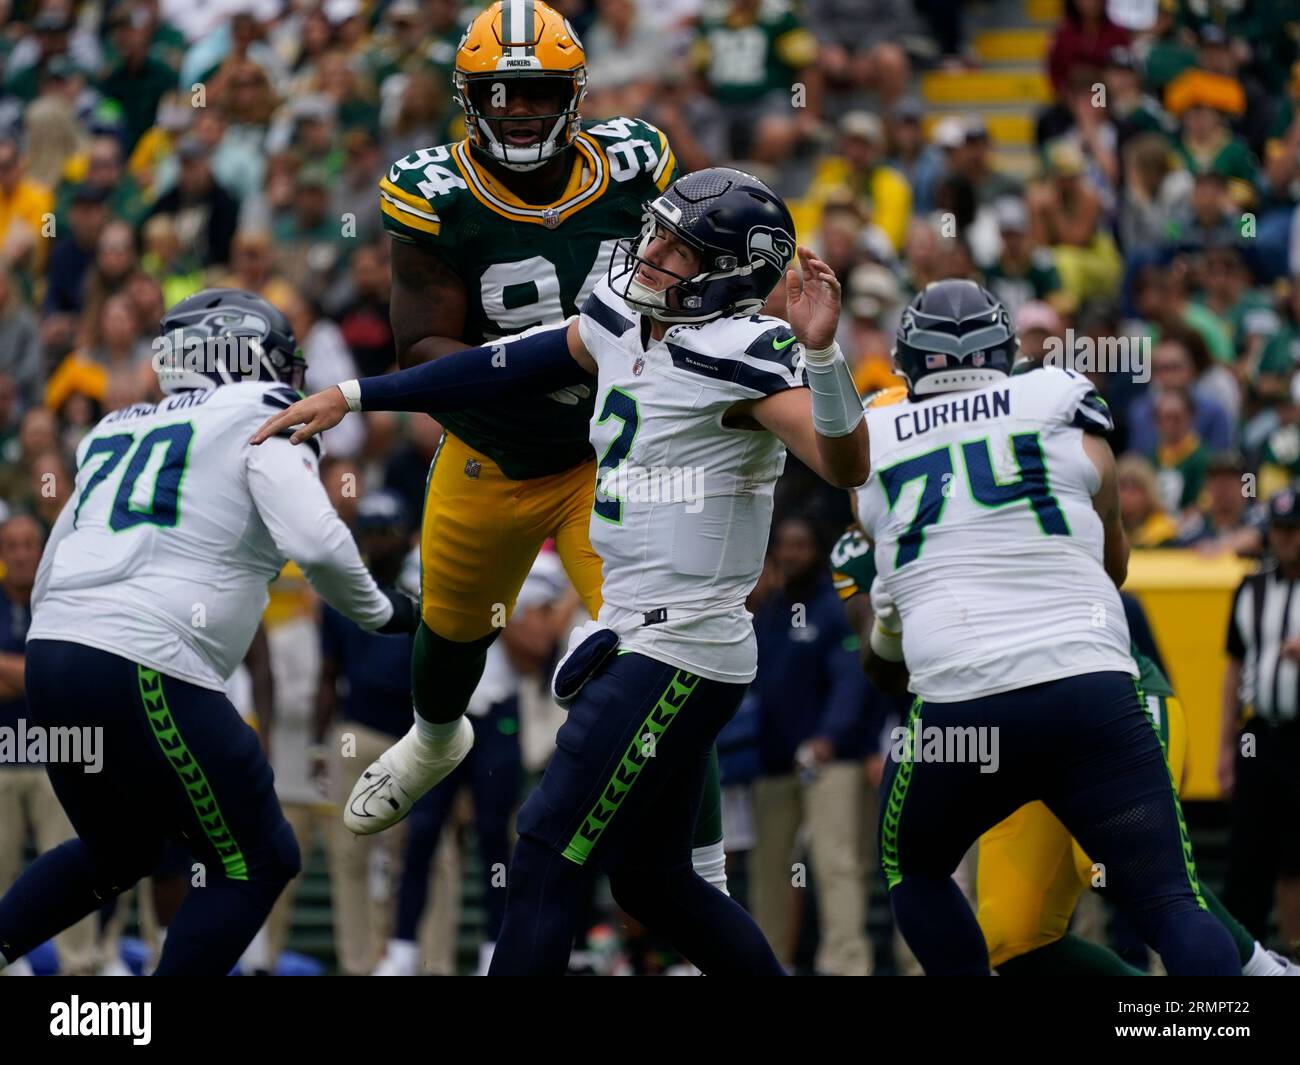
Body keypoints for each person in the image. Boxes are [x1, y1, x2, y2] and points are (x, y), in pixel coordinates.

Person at [252, 167, 870, 974]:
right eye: (658, 233)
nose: (651, 255)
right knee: (652, 879)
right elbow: (504, 366)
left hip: (682, 645)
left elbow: (843, 463)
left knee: (544, 841)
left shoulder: (746, 350)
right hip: (637, 634)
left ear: (730, 272)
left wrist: (823, 357)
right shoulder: (620, 317)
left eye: (680, 250)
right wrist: (357, 395)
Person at [0, 289, 418, 976]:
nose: (290, 379)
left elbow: (50, 570)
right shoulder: (257, 412)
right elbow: (316, 543)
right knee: (263, 856)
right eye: (281, 361)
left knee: (119, 850)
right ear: (241, 354)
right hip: (144, 656)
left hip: (54, 656)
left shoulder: (115, 426)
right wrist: (383, 612)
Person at [855, 277, 1238, 974]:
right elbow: (1113, 558)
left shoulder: (875, 436)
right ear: (1004, 350)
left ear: (909, 362)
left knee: (914, 867)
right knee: (1168, 900)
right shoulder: (1057, 397)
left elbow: (886, 653)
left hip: (964, 706)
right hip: (1087, 689)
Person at [1220, 486, 1300, 948]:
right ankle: (1240, 959)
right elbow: (1232, 667)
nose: (1287, 541)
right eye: (1281, 531)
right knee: (1247, 857)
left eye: (1294, 531)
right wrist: (1225, 749)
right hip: (1258, 737)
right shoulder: (1250, 587)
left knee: (1297, 861)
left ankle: (1293, 953)